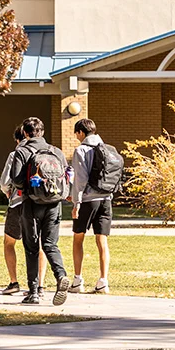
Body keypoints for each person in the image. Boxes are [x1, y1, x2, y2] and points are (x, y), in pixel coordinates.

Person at [9, 116, 71, 306]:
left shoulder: (22, 151)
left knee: (31, 247)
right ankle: (61, 276)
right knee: (50, 244)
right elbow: (66, 176)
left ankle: (33, 292)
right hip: (54, 203)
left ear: (26, 133)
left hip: (31, 203)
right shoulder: (56, 152)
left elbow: (17, 180)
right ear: (42, 132)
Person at [0, 126, 46, 295]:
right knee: (38, 243)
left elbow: (5, 182)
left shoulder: (16, 154)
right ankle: (40, 285)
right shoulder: (46, 151)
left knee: (9, 243)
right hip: (42, 203)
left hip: (18, 203)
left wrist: (7, 192)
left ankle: (14, 282)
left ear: (19, 139)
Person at [70, 118, 114, 294]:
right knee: (101, 239)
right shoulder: (108, 149)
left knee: (78, 238)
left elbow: (80, 179)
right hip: (106, 199)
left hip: (88, 200)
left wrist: (76, 203)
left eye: (76, 134)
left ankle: (77, 280)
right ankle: (103, 280)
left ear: (81, 132)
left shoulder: (81, 150)